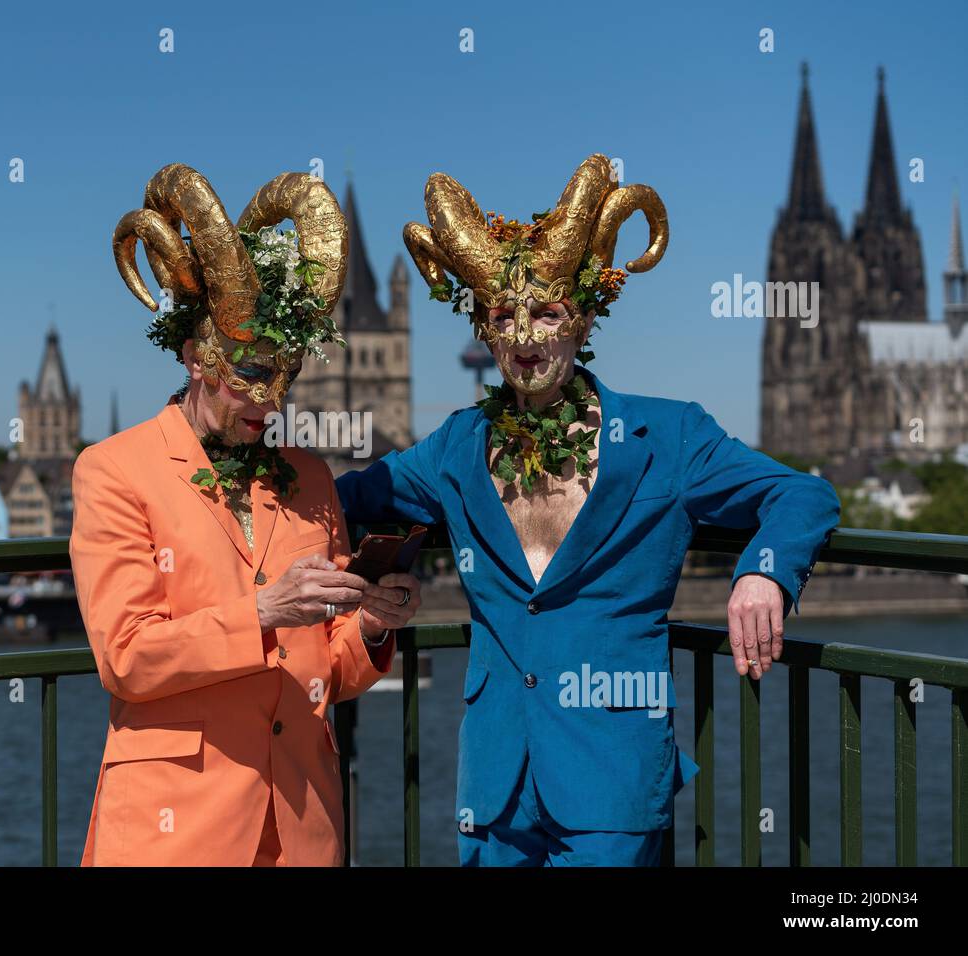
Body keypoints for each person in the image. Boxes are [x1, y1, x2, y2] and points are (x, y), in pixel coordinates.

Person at [335, 154, 840, 866]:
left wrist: (763, 572)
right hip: (494, 784)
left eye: (547, 313)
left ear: (583, 318)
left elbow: (803, 492)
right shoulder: (456, 446)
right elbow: (337, 500)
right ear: (484, 329)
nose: (526, 338)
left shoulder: (670, 435)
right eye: (503, 316)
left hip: (612, 778)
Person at [70, 163, 422, 866]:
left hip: (302, 826)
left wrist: (373, 626)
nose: (273, 401)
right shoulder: (114, 470)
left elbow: (329, 668)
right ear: (195, 356)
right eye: (253, 375)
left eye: (287, 375)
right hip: (176, 830)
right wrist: (263, 611)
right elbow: (127, 658)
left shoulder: (311, 477)